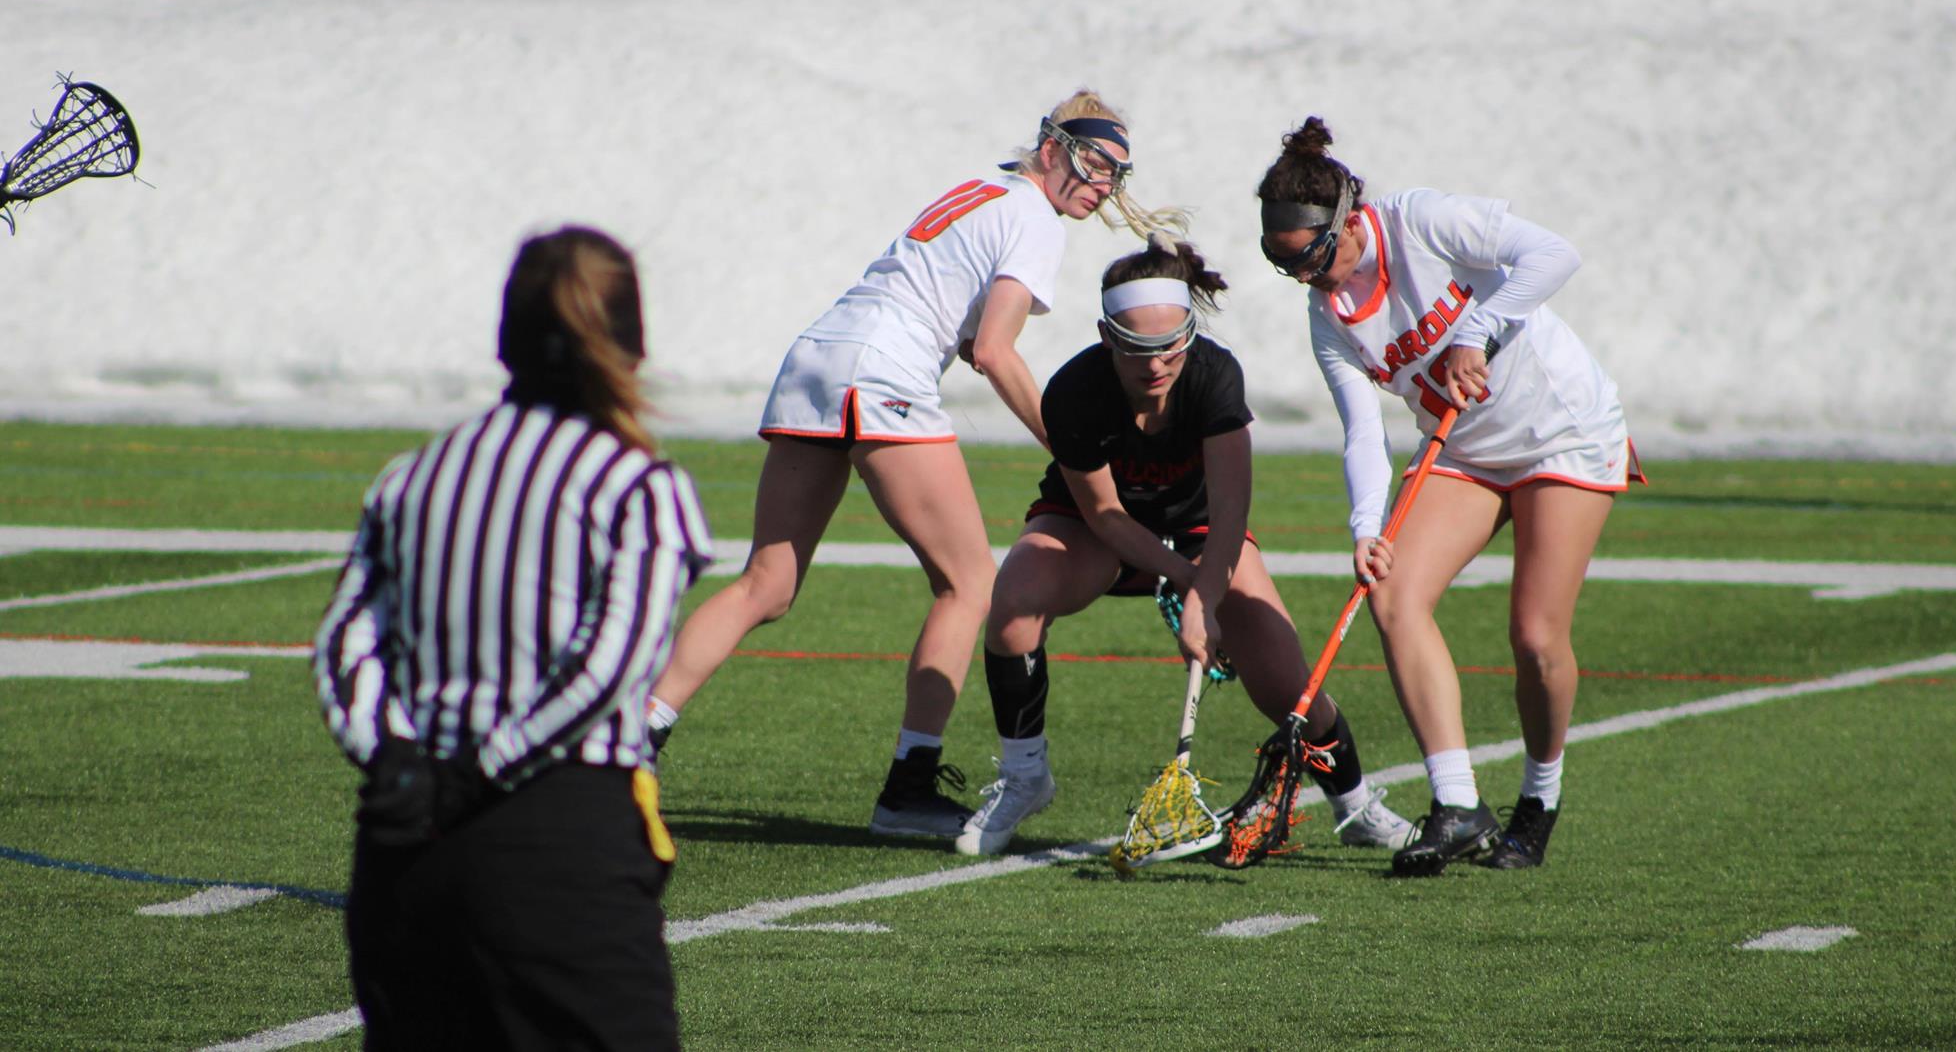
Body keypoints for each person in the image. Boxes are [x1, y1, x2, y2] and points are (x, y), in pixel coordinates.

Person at [647, 90, 1178, 838]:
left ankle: (635, 738)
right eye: (1093, 161)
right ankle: (908, 788)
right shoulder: (1033, 217)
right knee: (969, 584)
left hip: (816, 356)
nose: (1103, 183)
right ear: (1050, 147)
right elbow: (993, 350)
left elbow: (959, 329)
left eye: (1117, 172)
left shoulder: (985, 190)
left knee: (765, 583)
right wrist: (1073, 448)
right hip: (882, 372)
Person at [314, 226, 712, 1049]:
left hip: (401, 839)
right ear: (632, 343)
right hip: (557, 834)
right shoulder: (639, 485)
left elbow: (347, 641)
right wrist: (481, 770)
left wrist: (396, 760)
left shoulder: (413, 473)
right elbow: (610, 665)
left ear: (506, 340)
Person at [1256, 117, 1641, 876]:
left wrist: (1477, 330)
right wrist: (1365, 528)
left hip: (1562, 432)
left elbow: (1552, 253)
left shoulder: (1421, 222)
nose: (1304, 279)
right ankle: (1459, 803)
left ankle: (1539, 799)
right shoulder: (1328, 318)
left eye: (1310, 258)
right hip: (1464, 449)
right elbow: (1363, 431)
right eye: (1284, 265)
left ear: (1347, 222)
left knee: (1535, 637)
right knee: (1392, 592)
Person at [954, 236, 1416, 856]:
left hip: (1204, 531)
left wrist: (1206, 591)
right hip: (1096, 528)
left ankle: (1354, 804)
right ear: (1106, 335)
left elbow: (1229, 513)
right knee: (1015, 596)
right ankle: (1024, 776)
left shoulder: (1214, 374)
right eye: (1138, 348)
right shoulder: (1074, 392)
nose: (1156, 365)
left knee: (1285, 682)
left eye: (1171, 345)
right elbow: (1105, 514)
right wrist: (1188, 584)